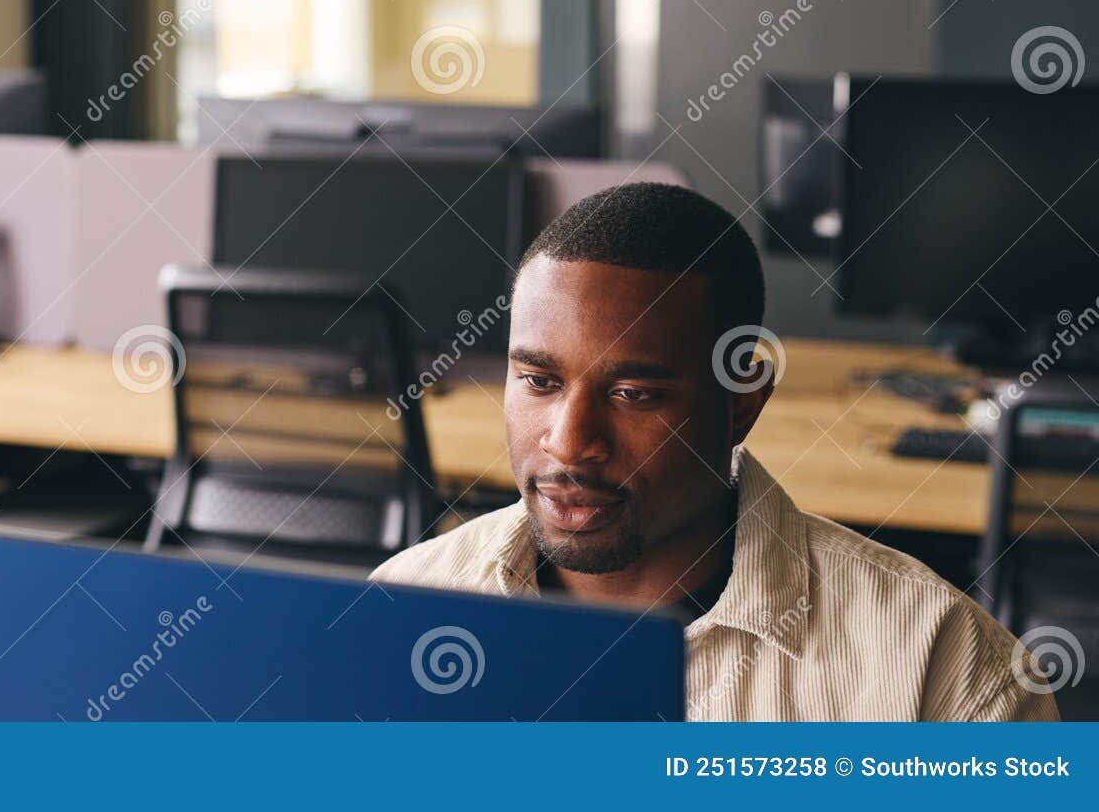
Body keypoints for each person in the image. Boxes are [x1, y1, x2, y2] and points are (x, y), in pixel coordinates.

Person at [372, 182, 1057, 720]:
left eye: (635, 392)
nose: (568, 440)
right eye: (539, 381)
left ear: (742, 402)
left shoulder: (948, 684)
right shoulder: (396, 613)